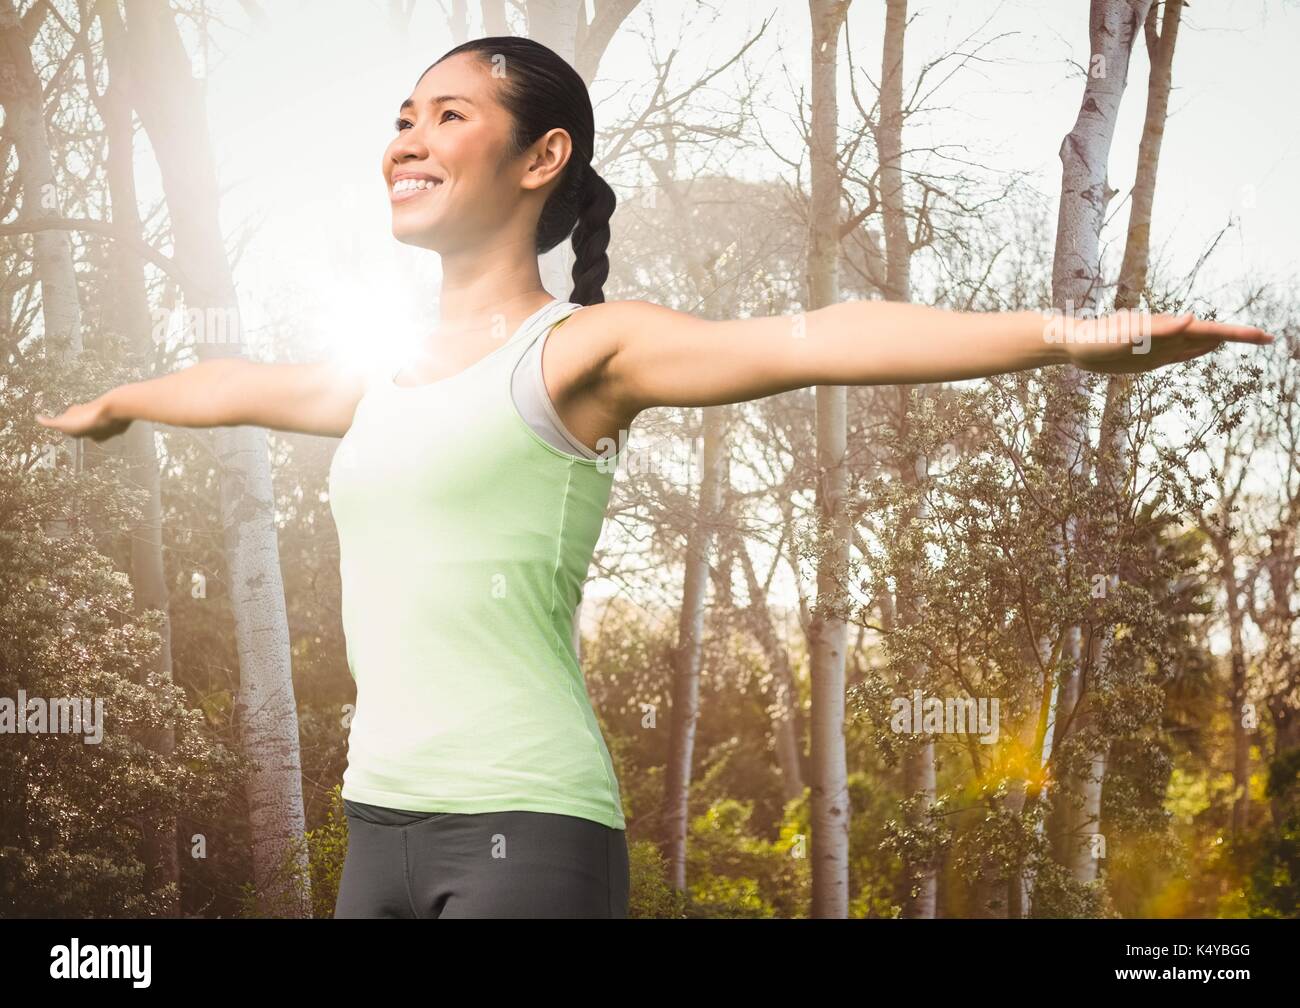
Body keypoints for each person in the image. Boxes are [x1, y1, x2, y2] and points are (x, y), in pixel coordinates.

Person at [35, 35, 1273, 919]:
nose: (408, 136)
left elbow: (813, 340)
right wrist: (120, 404)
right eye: (403, 114)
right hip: (376, 835)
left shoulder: (580, 351)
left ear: (540, 158)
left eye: (448, 114)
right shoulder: (377, 377)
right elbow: (234, 380)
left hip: (529, 834)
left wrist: (1066, 333)